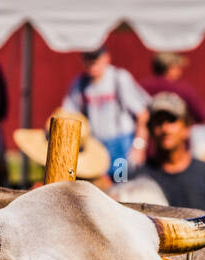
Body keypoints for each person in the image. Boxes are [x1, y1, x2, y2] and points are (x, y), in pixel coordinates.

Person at [135, 93, 205, 210]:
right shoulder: (140, 178)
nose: (165, 129)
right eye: (159, 122)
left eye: (172, 120)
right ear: (151, 130)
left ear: (186, 128)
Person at [62, 46, 151, 178]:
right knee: (99, 188)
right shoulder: (79, 84)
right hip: (95, 146)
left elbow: (142, 114)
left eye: (95, 59)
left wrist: (139, 146)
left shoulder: (118, 78)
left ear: (106, 58)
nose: (92, 64)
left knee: (121, 185)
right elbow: (68, 114)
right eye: (88, 59)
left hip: (121, 145)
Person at [140, 51, 205, 126]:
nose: (180, 71)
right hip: (177, 134)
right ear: (172, 67)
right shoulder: (181, 88)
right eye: (178, 67)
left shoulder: (142, 87)